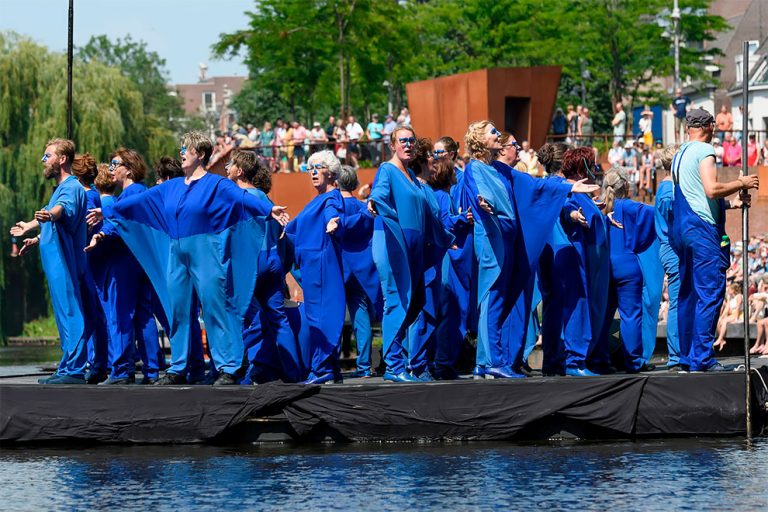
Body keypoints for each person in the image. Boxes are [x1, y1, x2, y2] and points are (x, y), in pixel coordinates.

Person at [86, 131, 290, 385]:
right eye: (181, 148)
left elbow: (242, 199)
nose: (181, 152)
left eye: (187, 149)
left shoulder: (217, 184)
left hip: (206, 252)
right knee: (178, 309)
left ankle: (229, 366)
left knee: (215, 308)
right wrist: (106, 210)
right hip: (176, 252)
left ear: (201, 154)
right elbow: (137, 202)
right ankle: (178, 367)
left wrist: (269, 209)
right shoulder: (171, 187)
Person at [458, 121, 597, 378]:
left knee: (500, 299)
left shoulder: (498, 168)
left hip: (507, 240)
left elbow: (535, 186)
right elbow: (476, 194)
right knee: (492, 297)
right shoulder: (476, 168)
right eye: (493, 132)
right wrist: (482, 204)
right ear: (479, 139)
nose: (498, 135)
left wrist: (568, 186)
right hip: (494, 239)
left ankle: (488, 361)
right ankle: (491, 361)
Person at [669, 108, 758, 372]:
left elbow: (699, 196)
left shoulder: (679, 155)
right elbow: (711, 189)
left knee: (687, 294)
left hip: (682, 230)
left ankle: (686, 356)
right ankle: (703, 359)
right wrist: (740, 182)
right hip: (701, 232)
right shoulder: (705, 152)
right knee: (709, 294)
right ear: (709, 126)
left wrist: (731, 204)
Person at [367, 124, 454, 382]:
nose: (407, 144)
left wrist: (447, 236)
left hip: (415, 249)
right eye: (402, 140)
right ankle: (393, 366)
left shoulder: (414, 178)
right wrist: (373, 203)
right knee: (396, 301)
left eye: (411, 141)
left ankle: (400, 361)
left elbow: (430, 210)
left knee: (414, 303)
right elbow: (379, 194)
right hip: (395, 244)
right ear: (392, 145)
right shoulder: (388, 170)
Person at [11, 139, 90, 384]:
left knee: (70, 310)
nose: (43, 161)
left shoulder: (72, 187)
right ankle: (67, 366)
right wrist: (32, 231)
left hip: (65, 263)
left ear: (62, 159)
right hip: (55, 263)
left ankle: (75, 370)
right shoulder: (59, 189)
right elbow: (47, 212)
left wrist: (49, 216)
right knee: (63, 314)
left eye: (48, 156)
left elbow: (59, 210)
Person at [85, 148, 164, 385]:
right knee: (143, 315)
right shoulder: (133, 193)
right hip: (139, 262)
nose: (110, 168)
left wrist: (100, 235)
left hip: (125, 262)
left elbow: (120, 222)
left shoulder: (134, 193)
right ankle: (151, 370)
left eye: (114, 164)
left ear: (128, 169)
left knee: (120, 315)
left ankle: (120, 371)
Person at [226, 150, 302, 383]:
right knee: (278, 319)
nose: (226, 167)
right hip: (273, 261)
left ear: (239, 171)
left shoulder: (238, 198)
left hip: (251, 263)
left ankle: (254, 370)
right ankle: (293, 373)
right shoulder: (264, 197)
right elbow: (281, 235)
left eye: (230, 164)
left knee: (247, 317)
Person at [284, 150, 346, 384]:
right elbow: (293, 228)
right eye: (309, 167)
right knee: (317, 315)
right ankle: (331, 369)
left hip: (321, 265)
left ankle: (321, 369)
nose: (312, 172)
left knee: (320, 317)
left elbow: (333, 212)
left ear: (330, 172)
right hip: (311, 267)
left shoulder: (331, 198)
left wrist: (333, 222)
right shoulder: (316, 199)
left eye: (318, 167)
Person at [600, 169, 664, 373]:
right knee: (631, 316)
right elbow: (657, 216)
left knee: (603, 315)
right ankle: (633, 361)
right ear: (625, 186)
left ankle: (600, 359)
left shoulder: (598, 207)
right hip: (628, 266)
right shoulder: (632, 207)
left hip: (603, 267)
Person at [335, 165, 381, 378]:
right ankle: (364, 366)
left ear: (336, 183)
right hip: (361, 268)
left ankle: (331, 366)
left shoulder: (331, 206)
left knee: (333, 317)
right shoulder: (364, 208)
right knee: (361, 316)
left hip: (338, 266)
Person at [654, 144, 682, 371]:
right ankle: (676, 355)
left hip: (671, 248)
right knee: (677, 302)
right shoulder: (668, 190)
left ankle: (679, 352)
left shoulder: (667, 188)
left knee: (679, 300)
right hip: (672, 248)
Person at [713, 281, 743, 352]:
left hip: (737, 314)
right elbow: (726, 309)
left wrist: (736, 318)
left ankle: (720, 339)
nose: (728, 290)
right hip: (731, 314)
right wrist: (722, 316)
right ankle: (722, 340)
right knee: (718, 320)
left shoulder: (739, 296)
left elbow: (738, 307)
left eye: (729, 289)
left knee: (724, 321)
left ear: (733, 290)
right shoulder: (731, 299)